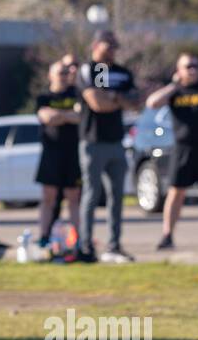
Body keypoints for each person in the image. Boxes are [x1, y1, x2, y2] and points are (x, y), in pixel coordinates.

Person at [145, 53, 198, 251]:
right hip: (182, 149)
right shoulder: (175, 92)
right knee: (176, 192)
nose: (193, 70)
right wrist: (174, 86)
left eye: (195, 66)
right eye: (188, 66)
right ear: (179, 69)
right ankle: (167, 235)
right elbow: (152, 103)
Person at [75, 30, 141, 263]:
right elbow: (97, 103)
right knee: (92, 195)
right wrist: (117, 99)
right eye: (108, 45)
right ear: (95, 45)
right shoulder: (90, 69)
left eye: (115, 46)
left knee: (117, 197)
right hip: (93, 142)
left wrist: (113, 98)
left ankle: (114, 246)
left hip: (116, 142)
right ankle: (85, 246)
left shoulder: (122, 72)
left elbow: (136, 103)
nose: (112, 49)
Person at [34, 59, 81, 255]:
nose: (63, 76)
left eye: (65, 72)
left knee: (74, 197)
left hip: (73, 152)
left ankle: (78, 238)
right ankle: (44, 236)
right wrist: (68, 115)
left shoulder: (76, 94)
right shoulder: (44, 97)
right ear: (50, 75)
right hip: (51, 153)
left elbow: (81, 116)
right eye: (59, 72)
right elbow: (46, 117)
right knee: (48, 197)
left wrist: (60, 116)